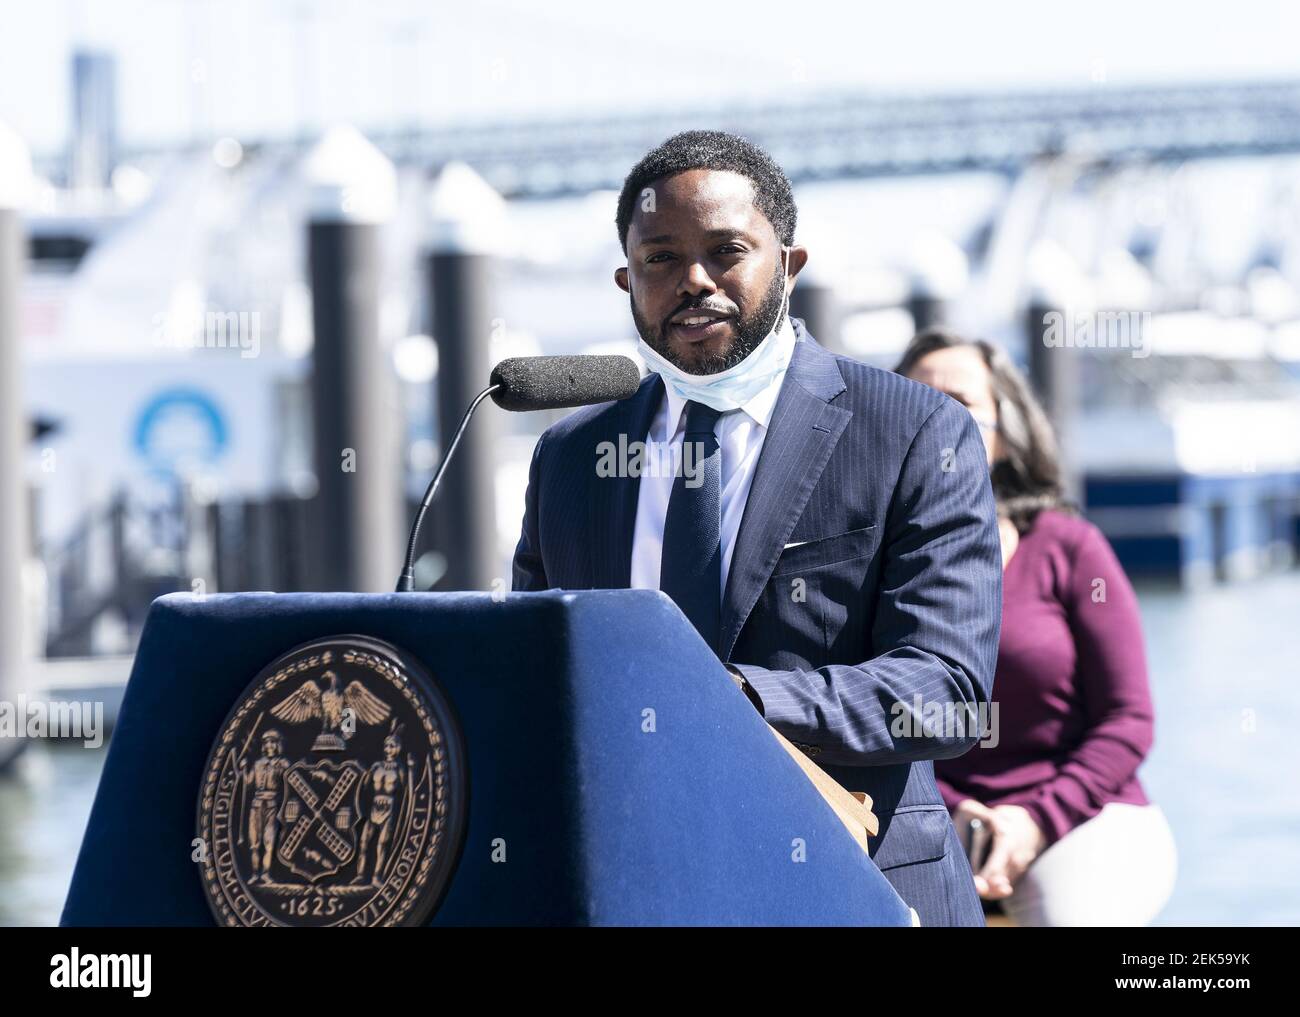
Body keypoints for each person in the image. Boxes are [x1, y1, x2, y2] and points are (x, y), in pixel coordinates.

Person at [512, 131, 1002, 926]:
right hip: (634, 889)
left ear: (791, 264)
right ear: (625, 279)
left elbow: (946, 696)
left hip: (856, 886)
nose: (693, 280)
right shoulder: (571, 457)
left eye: (726, 250)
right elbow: (535, 674)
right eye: (660, 259)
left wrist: (732, 698)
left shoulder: (917, 431)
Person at [896, 328, 1177, 926]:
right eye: (918, 399)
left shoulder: (1070, 549)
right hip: (923, 818)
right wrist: (952, 810)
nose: (938, 417)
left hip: (1079, 817)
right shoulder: (867, 563)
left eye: (962, 401)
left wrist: (1034, 819)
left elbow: (1128, 720)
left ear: (1004, 429)